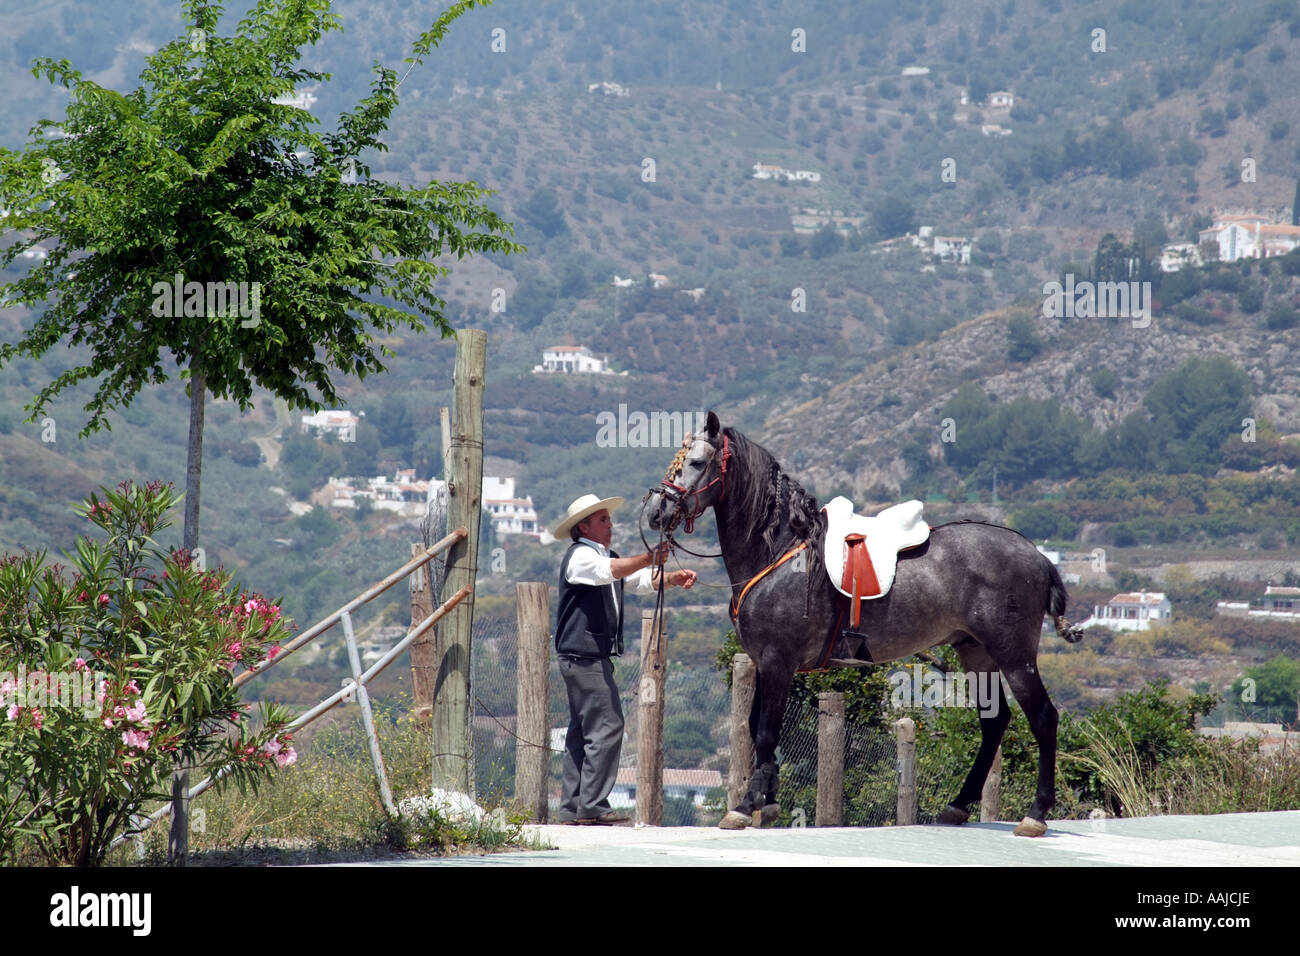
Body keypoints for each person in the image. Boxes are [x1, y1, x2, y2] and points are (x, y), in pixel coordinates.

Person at [551, 493, 697, 824]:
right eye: (603, 520)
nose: (610, 524)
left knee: (581, 730)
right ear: (584, 526)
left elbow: (635, 579)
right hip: (584, 656)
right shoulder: (581, 558)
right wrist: (649, 557)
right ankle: (593, 807)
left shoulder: (603, 556)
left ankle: (573, 808)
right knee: (608, 723)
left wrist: (671, 578)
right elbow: (614, 570)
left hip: (585, 656)